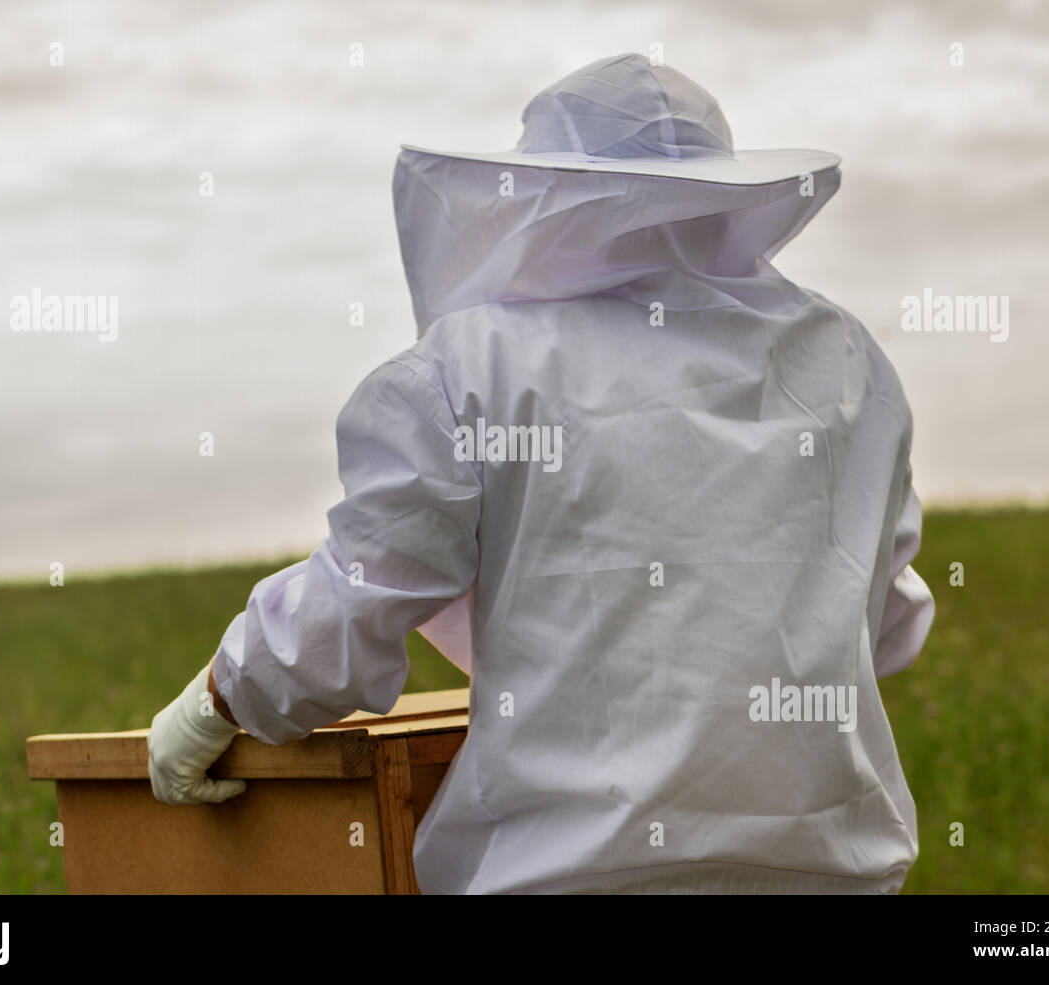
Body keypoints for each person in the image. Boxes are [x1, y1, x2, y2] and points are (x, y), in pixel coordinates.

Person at [148, 52, 935, 894]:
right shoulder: (846, 361)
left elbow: (351, 607)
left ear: (543, 196)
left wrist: (217, 702)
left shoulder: (472, 369)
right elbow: (883, 617)